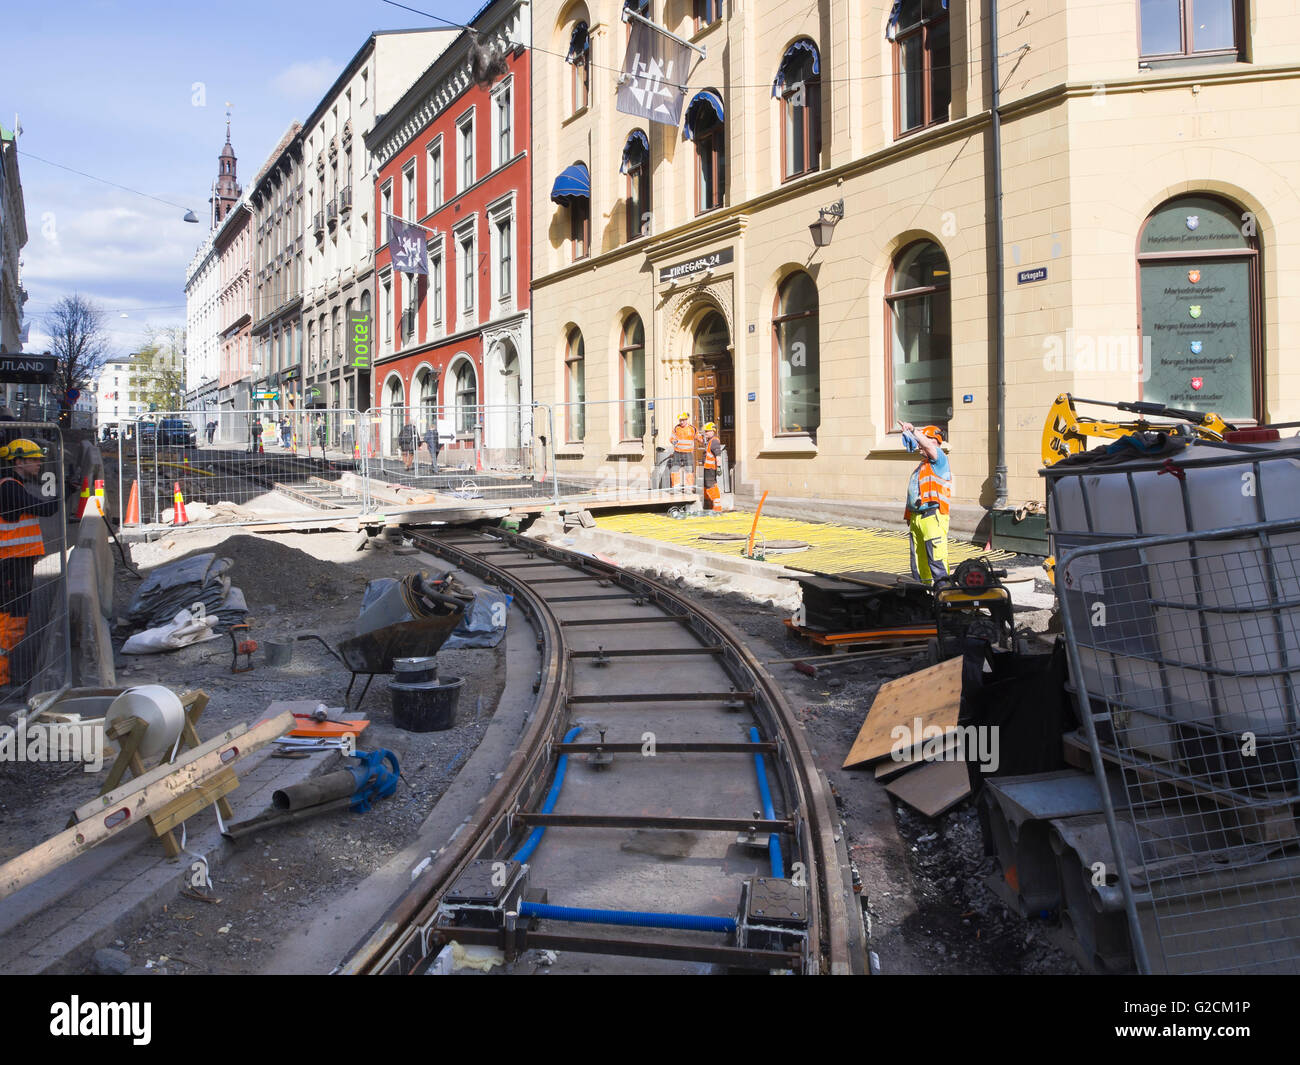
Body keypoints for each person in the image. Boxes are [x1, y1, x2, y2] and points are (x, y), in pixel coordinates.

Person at [0, 439, 60, 688]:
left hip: (16, 562)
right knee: (10, 619)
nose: (39, 464)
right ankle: (2, 679)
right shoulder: (9, 488)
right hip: (10, 564)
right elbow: (43, 509)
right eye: (34, 459)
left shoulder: (14, 485)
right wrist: (65, 493)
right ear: (19, 461)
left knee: (13, 618)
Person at [899, 422, 951, 585]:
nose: (919, 445)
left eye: (922, 440)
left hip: (932, 517)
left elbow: (927, 445)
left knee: (936, 561)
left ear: (933, 441)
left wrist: (913, 430)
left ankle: (944, 595)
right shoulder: (922, 466)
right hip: (917, 519)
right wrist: (909, 516)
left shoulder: (940, 459)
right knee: (918, 563)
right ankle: (924, 594)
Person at [668, 410, 698, 490]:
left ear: (686, 419)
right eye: (680, 420)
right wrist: (673, 441)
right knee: (675, 469)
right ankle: (676, 487)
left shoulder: (692, 429)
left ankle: (689, 487)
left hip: (688, 453)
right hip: (677, 452)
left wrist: (703, 440)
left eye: (683, 420)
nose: (681, 422)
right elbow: (671, 438)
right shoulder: (676, 428)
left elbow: (698, 437)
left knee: (689, 470)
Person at [700, 422, 726, 510]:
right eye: (705, 431)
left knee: (711, 486)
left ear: (712, 431)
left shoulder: (714, 441)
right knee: (707, 486)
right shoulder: (710, 441)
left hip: (711, 469)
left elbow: (718, 455)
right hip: (708, 468)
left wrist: (718, 467)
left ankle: (717, 507)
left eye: (707, 431)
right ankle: (708, 505)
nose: (706, 433)